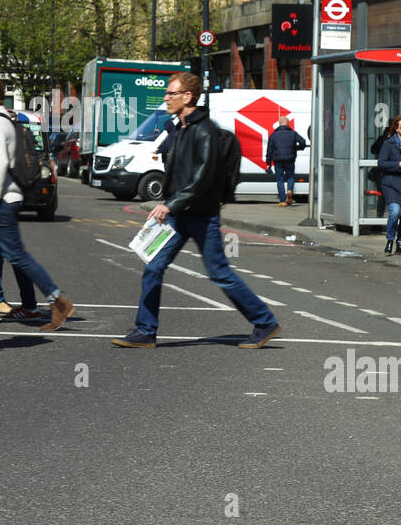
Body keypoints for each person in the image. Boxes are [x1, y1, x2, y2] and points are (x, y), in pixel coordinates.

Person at [111, 72, 280, 349]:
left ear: (188, 97)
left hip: (201, 215)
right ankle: (145, 331)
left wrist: (170, 204)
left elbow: (201, 178)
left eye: (171, 94)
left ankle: (264, 321)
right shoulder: (182, 128)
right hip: (180, 215)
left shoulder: (204, 131)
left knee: (219, 273)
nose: (166, 98)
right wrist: (169, 203)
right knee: (153, 267)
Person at [0, 77, 74, 329]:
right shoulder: (3, 120)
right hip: (8, 198)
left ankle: (57, 301)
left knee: (13, 255)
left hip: (2, 200)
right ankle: (29, 306)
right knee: (9, 255)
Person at [376, 116, 401, 255]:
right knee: (395, 211)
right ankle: (389, 240)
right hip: (391, 183)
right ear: (396, 128)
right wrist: (399, 164)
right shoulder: (389, 143)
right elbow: (381, 163)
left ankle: (400, 244)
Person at [265, 117, 305, 206]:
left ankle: (282, 201)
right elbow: (303, 142)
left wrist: (268, 163)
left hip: (277, 161)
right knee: (290, 177)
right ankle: (289, 190)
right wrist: (297, 148)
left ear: (279, 124)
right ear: (288, 124)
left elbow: (269, 150)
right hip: (290, 159)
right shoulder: (293, 134)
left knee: (280, 179)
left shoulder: (273, 135)